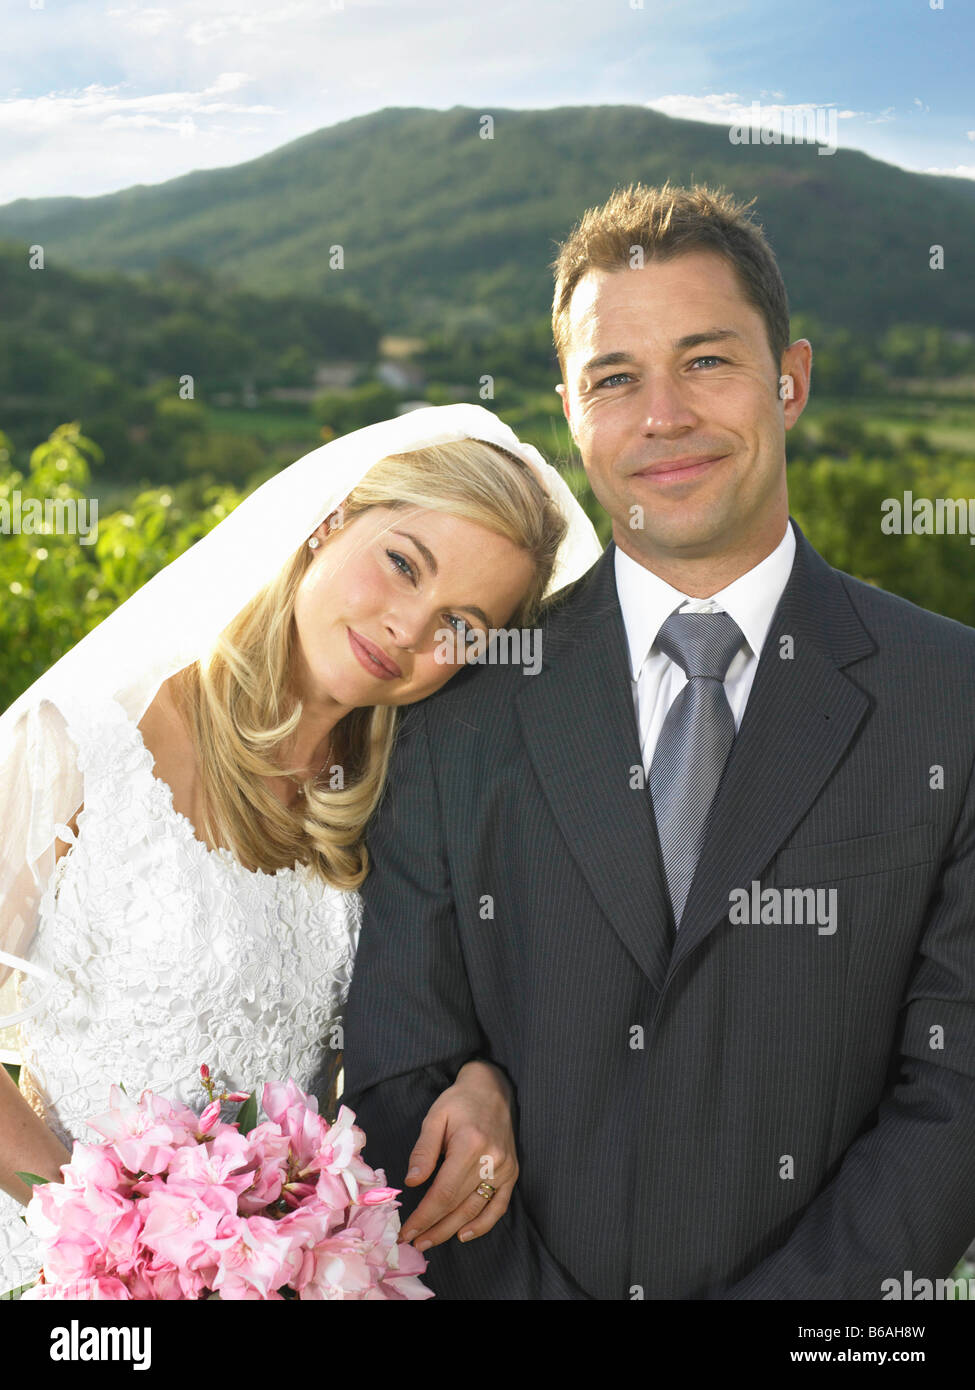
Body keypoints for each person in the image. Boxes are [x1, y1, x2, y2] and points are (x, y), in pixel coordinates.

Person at [342, 184, 975, 1299]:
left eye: (707, 360)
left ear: (792, 379)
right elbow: (403, 1070)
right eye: (614, 378)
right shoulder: (460, 705)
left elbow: (957, 1092)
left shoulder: (950, 697)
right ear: (571, 413)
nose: (663, 416)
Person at [0, 403, 603, 1295]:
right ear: (331, 520)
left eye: (461, 626)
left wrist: (487, 1082)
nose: (409, 629)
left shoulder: (406, 806)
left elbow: (459, 1009)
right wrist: (118, 1248)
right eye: (402, 564)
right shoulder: (81, 742)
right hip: (59, 1269)